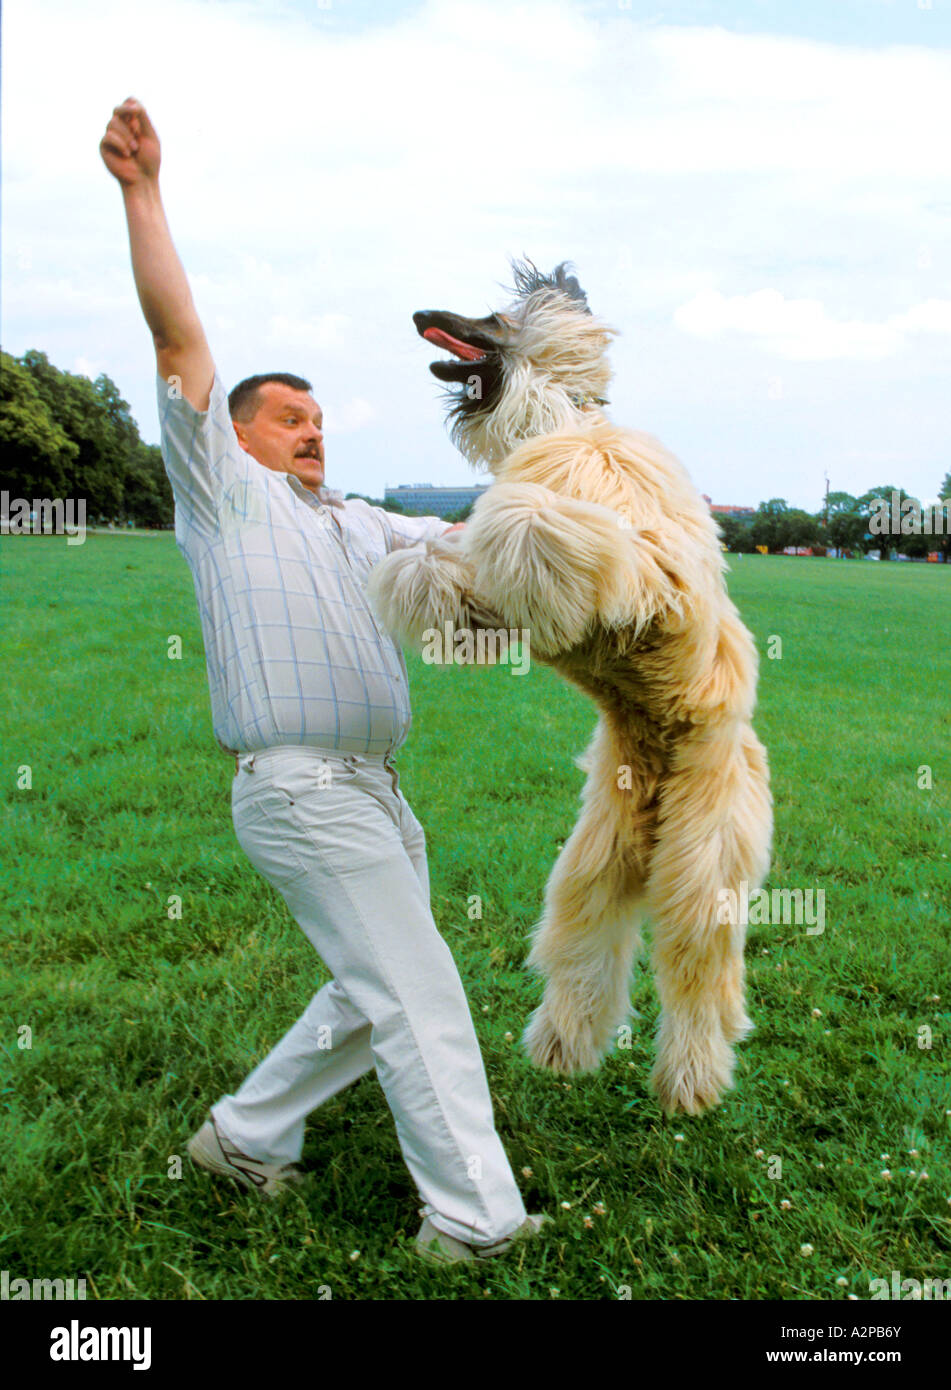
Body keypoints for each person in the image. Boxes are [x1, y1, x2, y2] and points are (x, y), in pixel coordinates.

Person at [100, 96, 548, 1264]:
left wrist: (560, 466)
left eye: (319, 419)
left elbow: (472, 554)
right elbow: (178, 342)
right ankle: (475, 1220)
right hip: (300, 787)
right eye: (289, 419)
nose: (311, 432)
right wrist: (144, 193)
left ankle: (244, 1137)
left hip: (378, 790)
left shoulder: (355, 520)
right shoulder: (225, 499)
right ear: (236, 435)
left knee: (370, 986)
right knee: (417, 991)